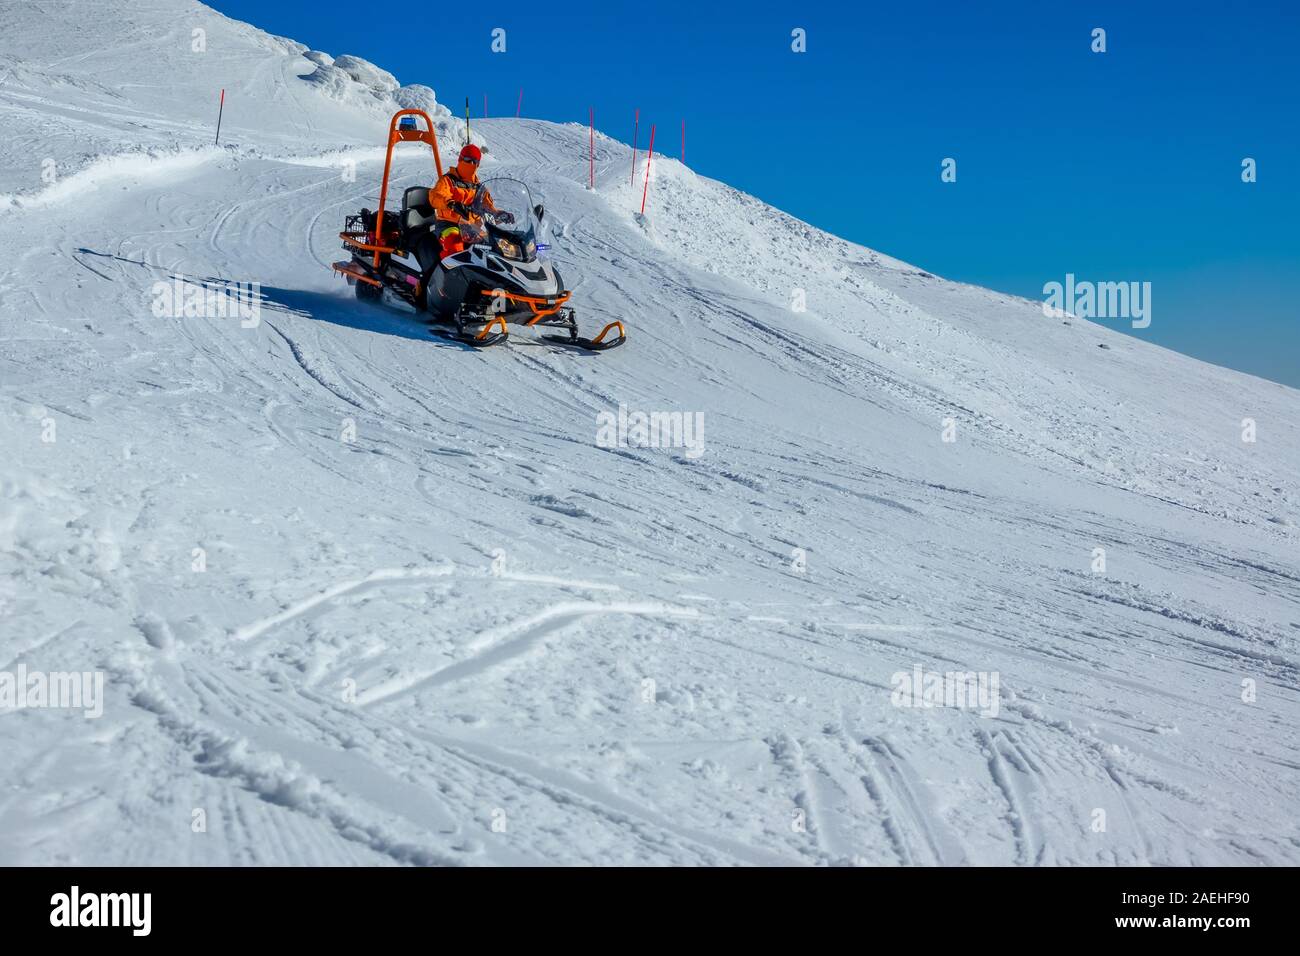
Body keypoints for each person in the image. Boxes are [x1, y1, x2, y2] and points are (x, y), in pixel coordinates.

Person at [430, 144, 496, 259]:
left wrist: (498, 213)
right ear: (460, 159)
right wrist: (451, 203)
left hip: (471, 227)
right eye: (468, 160)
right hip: (449, 224)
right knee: (455, 247)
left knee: (492, 246)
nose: (471, 164)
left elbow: (488, 205)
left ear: (478, 164)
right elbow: (435, 196)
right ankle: (447, 270)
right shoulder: (447, 180)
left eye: (474, 161)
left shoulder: (478, 186)